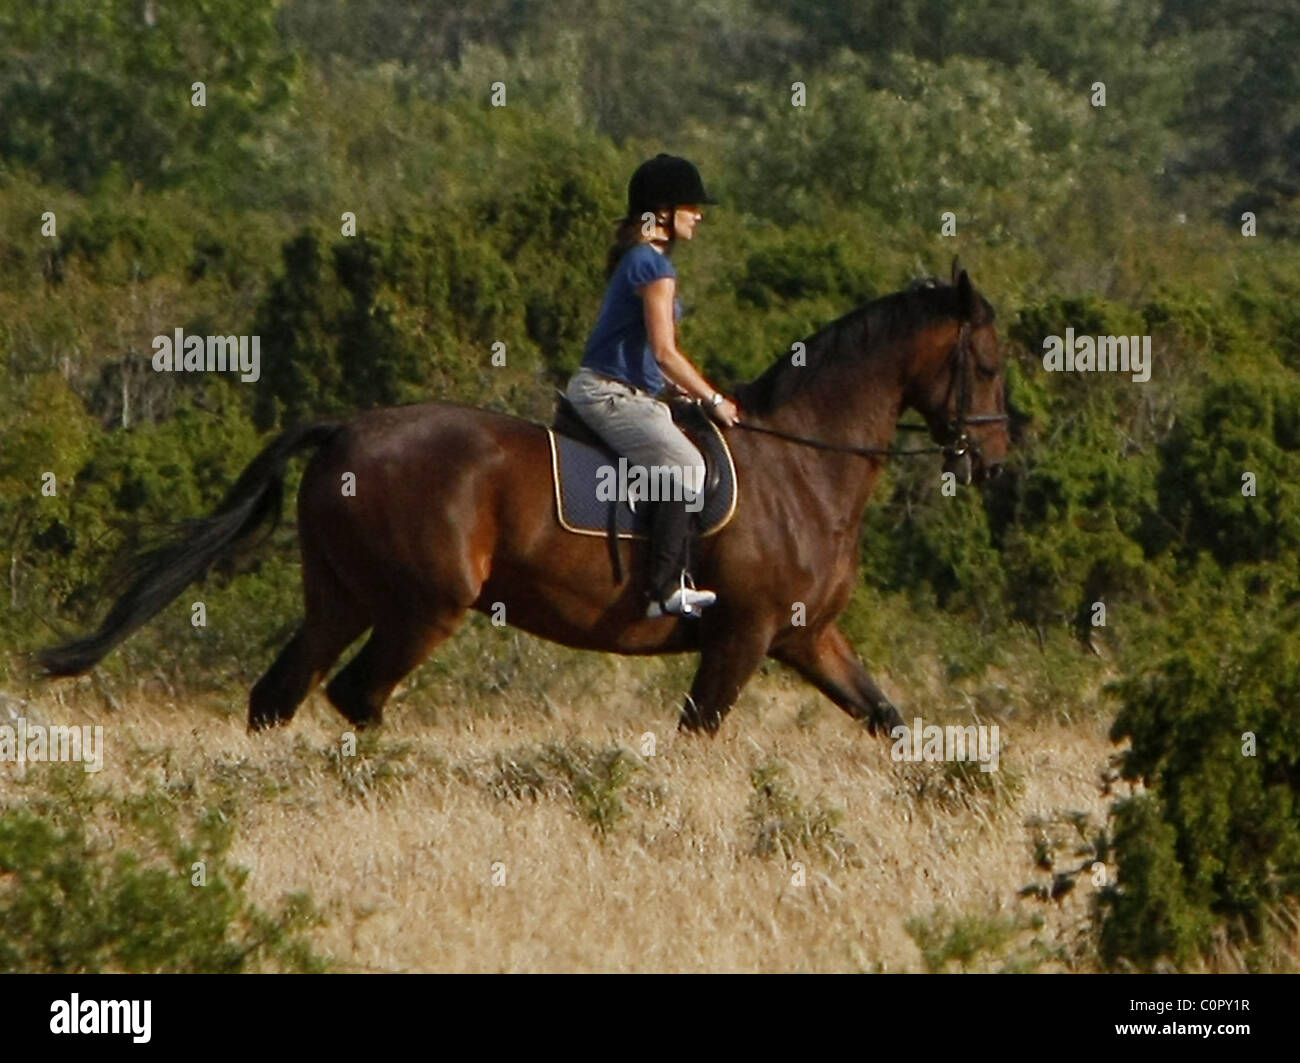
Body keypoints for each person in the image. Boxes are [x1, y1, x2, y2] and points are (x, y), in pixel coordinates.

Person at [566, 154, 741, 618]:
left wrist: (677, 392)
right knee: (686, 465)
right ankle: (663, 590)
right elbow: (666, 352)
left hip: (631, 391)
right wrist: (713, 398)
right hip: (609, 393)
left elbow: (649, 356)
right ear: (663, 211)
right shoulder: (654, 268)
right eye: (692, 206)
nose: (699, 215)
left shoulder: (641, 259)